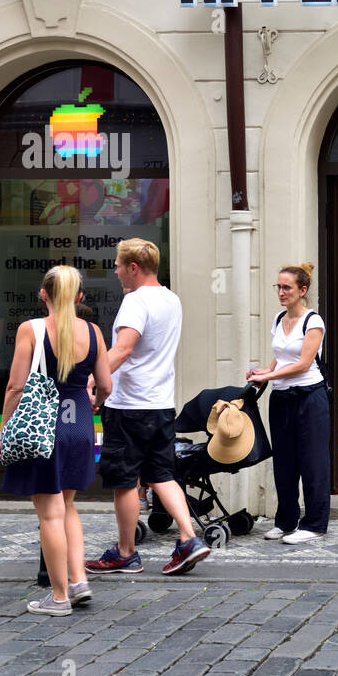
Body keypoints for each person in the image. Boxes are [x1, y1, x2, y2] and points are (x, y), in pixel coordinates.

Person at [86, 238, 211, 576]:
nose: (114, 269)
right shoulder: (172, 299)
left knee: (125, 480)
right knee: (161, 474)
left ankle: (126, 553)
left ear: (134, 268)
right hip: (160, 404)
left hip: (130, 406)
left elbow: (124, 349)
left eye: (118, 264)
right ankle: (189, 537)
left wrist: (94, 379)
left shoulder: (136, 301)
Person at [0, 266, 111, 616]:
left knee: (49, 513)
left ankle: (59, 598)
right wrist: (96, 403)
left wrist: (6, 430)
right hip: (79, 424)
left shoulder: (30, 329)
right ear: (78, 298)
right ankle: (79, 581)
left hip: (42, 426)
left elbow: (15, 387)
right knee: (68, 505)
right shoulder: (93, 331)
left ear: (43, 294)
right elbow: (105, 385)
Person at [248, 263, 331, 543]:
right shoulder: (278, 318)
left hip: (309, 397)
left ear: (302, 290)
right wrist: (264, 372)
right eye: (279, 287)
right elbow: (281, 357)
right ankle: (285, 521)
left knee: (312, 462)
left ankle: (315, 525)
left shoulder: (313, 321)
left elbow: (303, 363)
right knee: (283, 462)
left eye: (287, 288)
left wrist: (270, 374)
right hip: (281, 397)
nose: (281, 292)